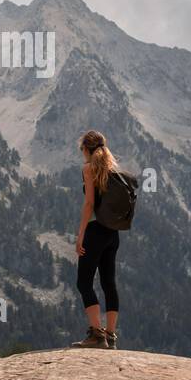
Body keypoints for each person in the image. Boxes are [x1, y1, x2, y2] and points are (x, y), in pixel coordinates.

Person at [73, 129, 122, 349]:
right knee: (108, 282)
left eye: (82, 148)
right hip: (113, 233)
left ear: (86, 148)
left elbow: (89, 204)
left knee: (83, 282)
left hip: (95, 232)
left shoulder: (88, 168)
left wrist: (81, 234)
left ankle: (96, 334)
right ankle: (110, 335)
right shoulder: (112, 169)